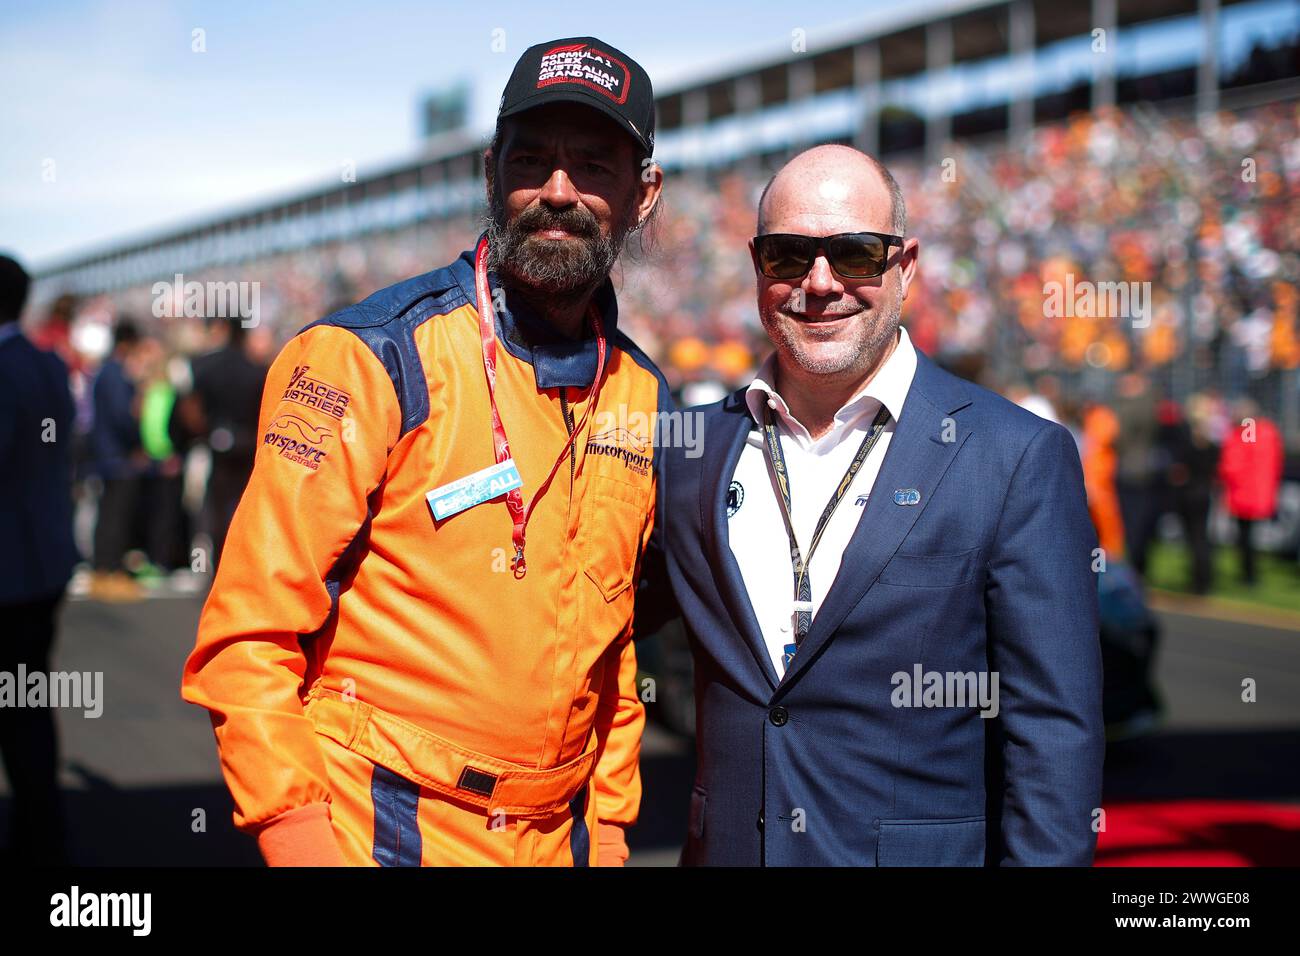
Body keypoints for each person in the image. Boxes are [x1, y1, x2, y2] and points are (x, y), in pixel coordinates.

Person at [182, 36, 667, 867]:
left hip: (562, 839)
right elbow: (247, 640)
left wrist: (612, 834)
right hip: (379, 831)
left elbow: (614, 661)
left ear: (642, 195)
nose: (558, 192)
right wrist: (299, 844)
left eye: (593, 164)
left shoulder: (643, 394)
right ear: (490, 175)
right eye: (531, 161)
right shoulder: (365, 357)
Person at [658, 145, 1103, 866]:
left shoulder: (1015, 455)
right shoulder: (689, 449)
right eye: (789, 256)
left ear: (908, 265)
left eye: (857, 254)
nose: (821, 283)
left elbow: (1054, 731)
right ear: (755, 266)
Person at [0, 254, 78, 864]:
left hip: (11, 563)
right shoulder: (47, 364)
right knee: (27, 697)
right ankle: (40, 823)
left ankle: (36, 828)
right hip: (45, 559)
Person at [175, 319, 267, 570]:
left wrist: (204, 432)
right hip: (249, 446)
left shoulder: (205, 366)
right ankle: (243, 565)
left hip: (215, 445)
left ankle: (218, 567)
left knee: (214, 510)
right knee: (246, 508)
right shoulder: (257, 369)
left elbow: (189, 409)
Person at [88, 319, 145, 601]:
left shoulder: (104, 372)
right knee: (116, 516)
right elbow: (124, 416)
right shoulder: (115, 374)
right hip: (118, 456)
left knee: (108, 513)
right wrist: (137, 439)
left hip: (107, 454)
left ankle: (104, 570)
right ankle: (108, 570)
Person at [1217, 398, 1284, 586]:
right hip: (1256, 491)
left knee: (1245, 538)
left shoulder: (1250, 428)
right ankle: (1249, 574)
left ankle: (1249, 576)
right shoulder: (1267, 431)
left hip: (1245, 493)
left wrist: (1223, 470)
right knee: (1248, 538)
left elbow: (1239, 460)